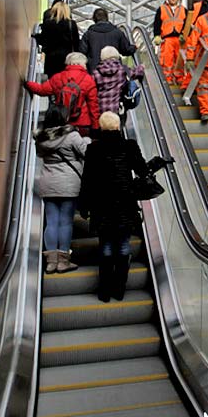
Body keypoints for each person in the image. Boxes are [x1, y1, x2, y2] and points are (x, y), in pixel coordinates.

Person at [78, 111, 150, 302]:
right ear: (118, 126)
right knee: (124, 245)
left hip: (102, 206)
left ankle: (104, 291)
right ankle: (119, 290)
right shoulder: (129, 146)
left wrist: (83, 206)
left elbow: (88, 180)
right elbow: (142, 170)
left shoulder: (94, 149)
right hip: (125, 204)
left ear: (101, 127)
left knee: (107, 245)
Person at [34, 104, 89, 273]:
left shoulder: (41, 138)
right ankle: (63, 262)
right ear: (63, 118)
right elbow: (87, 152)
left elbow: (40, 155)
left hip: (48, 182)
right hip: (68, 184)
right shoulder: (72, 135)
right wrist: (86, 140)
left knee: (51, 222)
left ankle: (51, 263)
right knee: (65, 221)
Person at [24, 52, 99, 137]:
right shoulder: (89, 80)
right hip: (82, 124)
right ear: (80, 63)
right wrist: (95, 127)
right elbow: (93, 106)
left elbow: (41, 90)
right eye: (85, 64)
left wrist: (27, 83)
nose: (86, 66)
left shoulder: (58, 77)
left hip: (61, 122)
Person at [93, 46, 145, 121]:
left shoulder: (96, 72)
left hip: (101, 111)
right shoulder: (122, 69)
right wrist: (141, 67)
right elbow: (135, 73)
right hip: (117, 110)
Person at [79, 8, 136, 73]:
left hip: (94, 71)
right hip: (114, 70)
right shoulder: (117, 32)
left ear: (94, 19)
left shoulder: (88, 34)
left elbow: (82, 52)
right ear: (107, 18)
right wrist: (134, 47)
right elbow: (125, 50)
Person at [153, 0, 187, 86]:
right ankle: (167, 78)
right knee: (166, 60)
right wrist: (157, 35)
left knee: (179, 60)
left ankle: (179, 78)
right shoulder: (161, 9)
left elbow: (187, 24)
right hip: (167, 39)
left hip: (179, 39)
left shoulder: (183, 10)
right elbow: (157, 23)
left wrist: (184, 34)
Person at [35, 1, 80, 77]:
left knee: (53, 82)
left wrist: (36, 36)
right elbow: (76, 42)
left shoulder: (48, 23)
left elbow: (43, 40)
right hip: (67, 58)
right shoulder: (71, 24)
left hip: (51, 58)